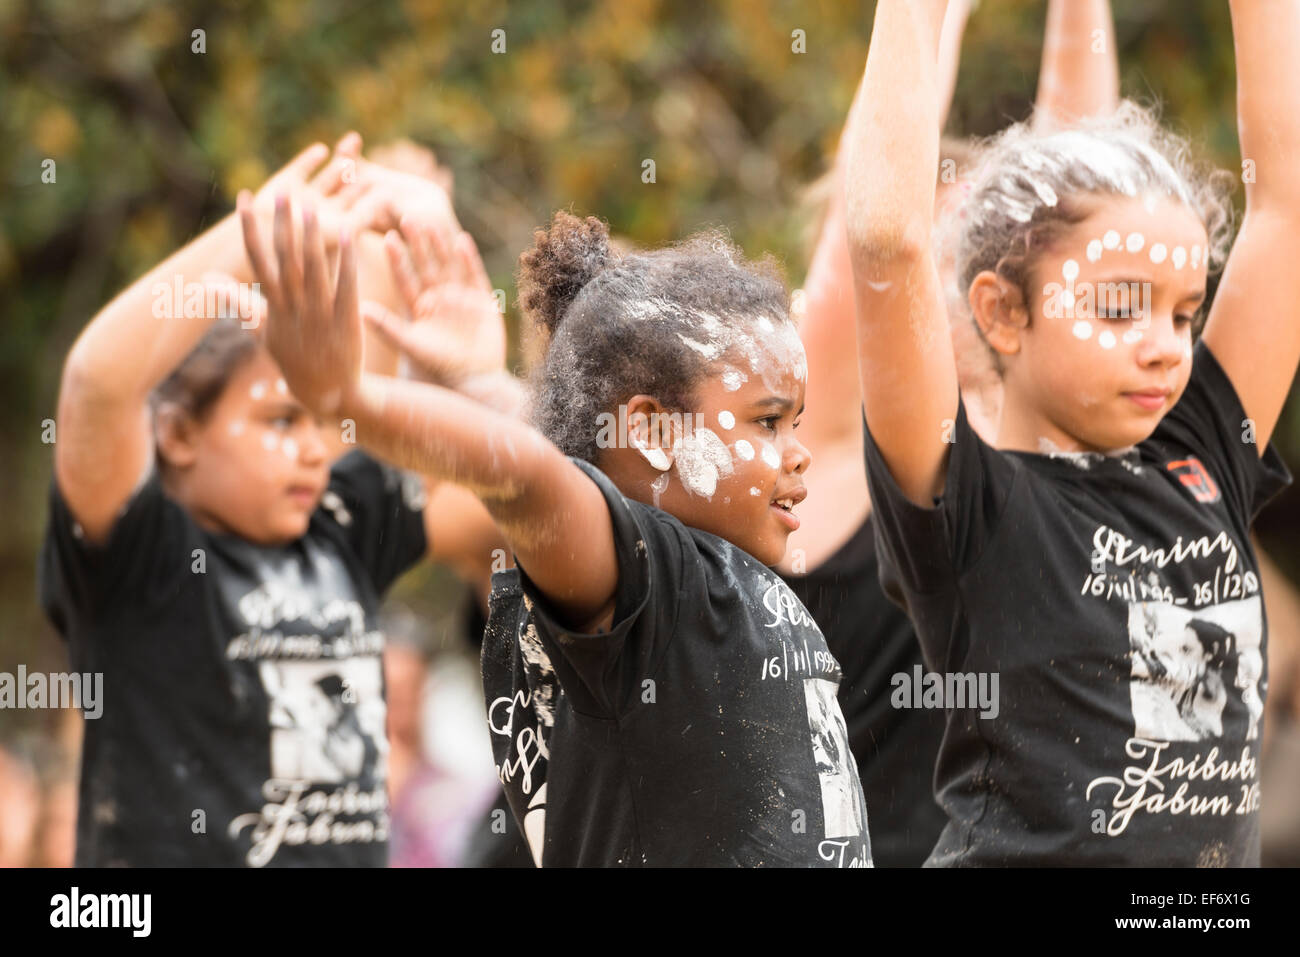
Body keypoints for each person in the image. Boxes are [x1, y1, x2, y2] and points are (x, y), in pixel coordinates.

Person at [241, 196, 872, 867]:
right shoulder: (653, 582)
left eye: (795, 423)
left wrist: (481, 381)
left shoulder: (714, 578)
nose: (796, 451)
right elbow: (530, 478)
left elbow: (564, 465)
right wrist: (352, 402)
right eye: (768, 422)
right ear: (654, 430)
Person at [845, 0, 1298, 866]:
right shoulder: (967, 503)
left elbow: (1287, 205)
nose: (1166, 347)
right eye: (1122, 306)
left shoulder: (1202, 452)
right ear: (1003, 313)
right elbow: (887, 243)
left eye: (1184, 314)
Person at [38, 138, 498, 867]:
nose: (316, 448)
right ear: (179, 431)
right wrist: (271, 232)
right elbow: (99, 382)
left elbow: (513, 491)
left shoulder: (340, 527)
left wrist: (399, 243)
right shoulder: (140, 549)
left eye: (319, 422)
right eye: (280, 421)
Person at [782, 0, 1119, 865]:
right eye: (940, 237)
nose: (953, 267)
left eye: (986, 245)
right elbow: (867, 250)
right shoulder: (820, 439)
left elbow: (1082, 178)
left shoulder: (1042, 438)